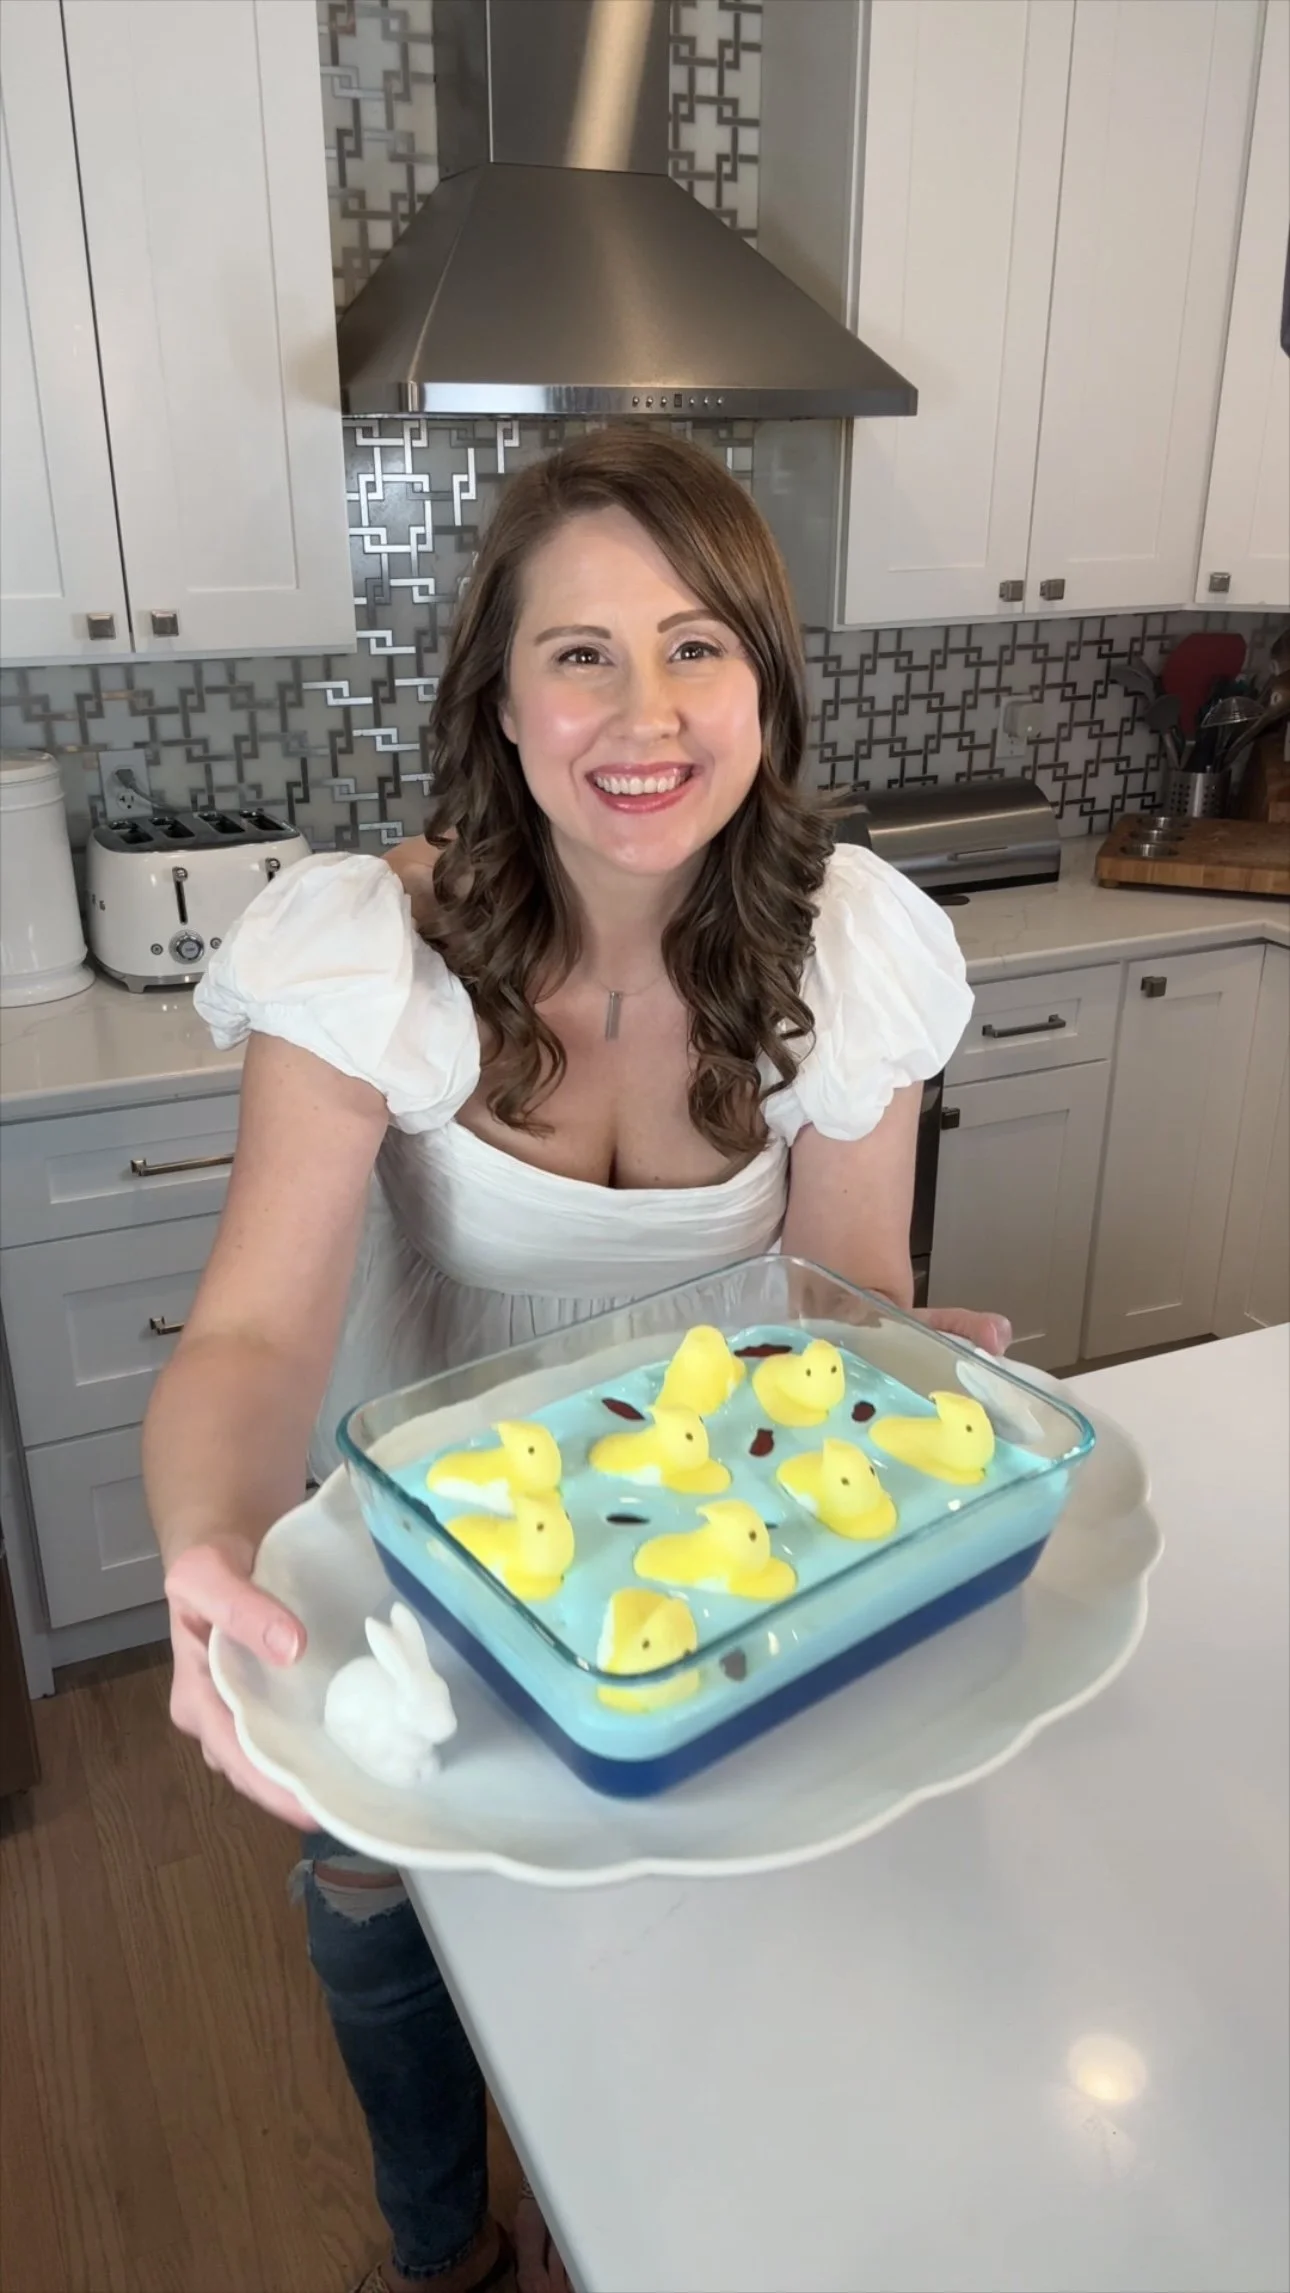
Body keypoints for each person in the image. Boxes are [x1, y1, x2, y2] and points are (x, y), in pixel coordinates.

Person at [143, 428, 1009, 2293]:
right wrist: (212, 1555)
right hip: (425, 1533)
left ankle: (651, 2225)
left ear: (765, 686)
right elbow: (254, 1325)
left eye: (699, 646)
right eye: (580, 652)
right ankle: (441, 2241)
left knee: (662, 1899)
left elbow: (846, 1288)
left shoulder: (851, 948)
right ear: (501, 702)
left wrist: (909, 1374)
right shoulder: (368, 951)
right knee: (377, 1904)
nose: (646, 710)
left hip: (697, 1530)